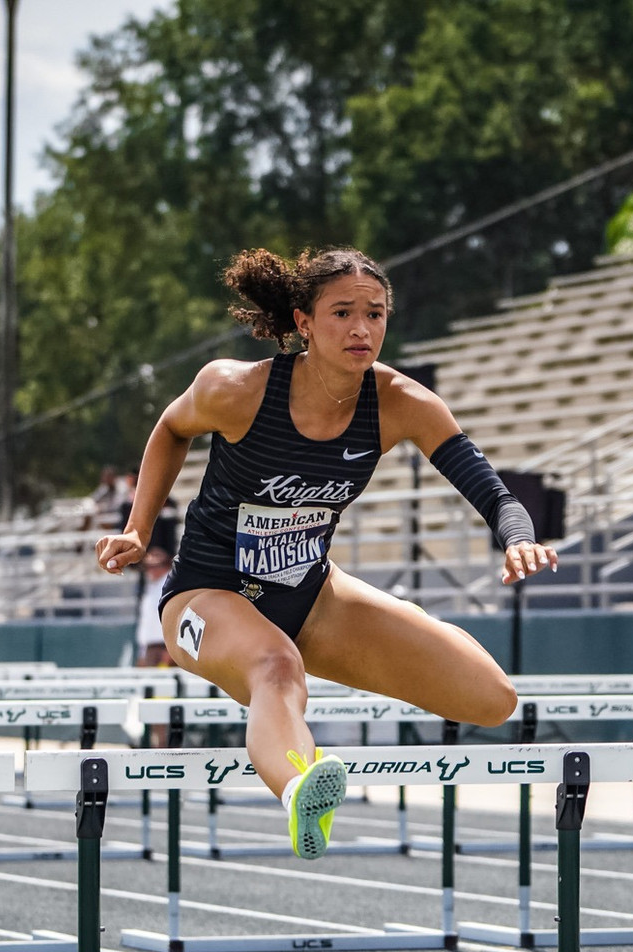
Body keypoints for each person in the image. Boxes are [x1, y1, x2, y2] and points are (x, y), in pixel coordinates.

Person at [93, 247, 554, 859]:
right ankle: (300, 795)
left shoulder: (401, 403)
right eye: (342, 313)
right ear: (303, 322)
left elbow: (494, 494)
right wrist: (138, 526)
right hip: (204, 600)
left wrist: (518, 537)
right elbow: (172, 428)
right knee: (277, 667)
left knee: (491, 700)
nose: (362, 329)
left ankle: (406, 621)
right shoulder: (234, 389)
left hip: (311, 596)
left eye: (376, 313)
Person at [134, 545, 176, 745]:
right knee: (152, 700)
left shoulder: (170, 584)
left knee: (165, 700)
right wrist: (143, 653)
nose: (151, 569)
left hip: (165, 649)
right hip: (152, 649)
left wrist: (171, 649)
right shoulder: (152, 586)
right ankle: (157, 741)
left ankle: (166, 744)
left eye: (155, 565)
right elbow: (146, 624)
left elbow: (174, 620)